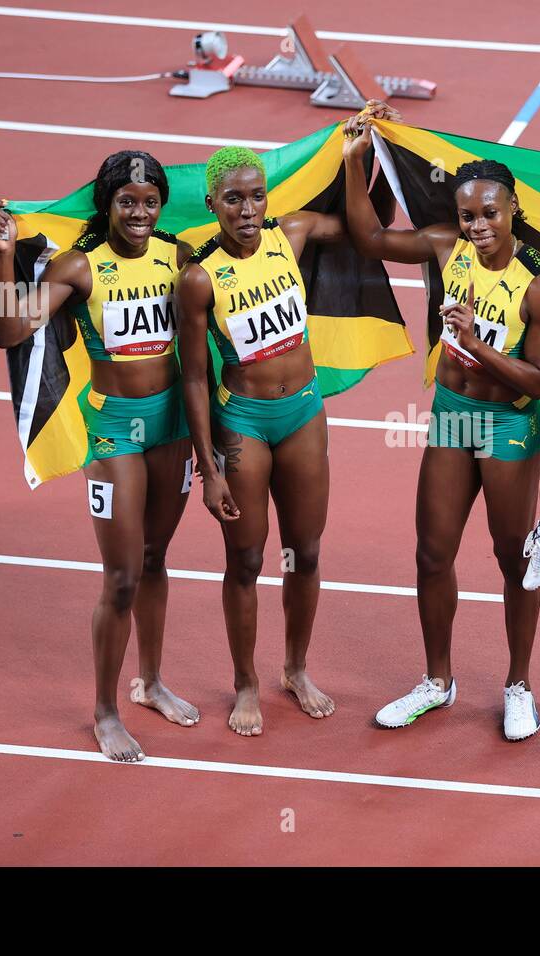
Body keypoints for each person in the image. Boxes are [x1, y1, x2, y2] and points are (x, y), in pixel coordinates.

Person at [342, 114, 540, 741]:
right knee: (432, 553)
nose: (479, 226)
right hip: (450, 417)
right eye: (468, 215)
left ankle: (518, 686)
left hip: (507, 426)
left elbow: (538, 380)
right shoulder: (448, 248)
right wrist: (353, 161)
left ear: (513, 208)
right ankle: (437, 682)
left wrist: (475, 345)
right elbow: (370, 240)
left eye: (490, 213)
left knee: (513, 558)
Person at [0, 150, 199, 763]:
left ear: (162, 205)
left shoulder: (178, 256)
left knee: (158, 557)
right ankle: (105, 711)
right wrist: (5, 256)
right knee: (123, 574)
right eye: (126, 201)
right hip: (113, 432)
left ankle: (151, 683)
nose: (138, 211)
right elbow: (8, 332)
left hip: (173, 428)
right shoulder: (81, 267)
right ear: (107, 205)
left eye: (149, 201)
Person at [176, 143, 359, 737]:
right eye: (234, 199)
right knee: (247, 558)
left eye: (257, 196)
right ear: (213, 205)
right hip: (244, 421)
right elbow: (194, 376)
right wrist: (209, 468)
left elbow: (364, 225)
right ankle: (246, 683)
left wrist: (359, 155)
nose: (248, 209)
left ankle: (296, 669)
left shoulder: (293, 233)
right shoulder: (199, 278)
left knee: (304, 552)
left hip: (304, 412)